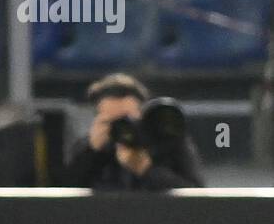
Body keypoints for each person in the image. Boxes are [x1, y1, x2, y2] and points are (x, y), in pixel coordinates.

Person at [63, 73, 205, 191]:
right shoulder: (90, 147)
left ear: (142, 115)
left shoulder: (169, 142)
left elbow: (194, 195)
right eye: (112, 121)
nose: (122, 127)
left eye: (128, 119)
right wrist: (91, 152)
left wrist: (147, 170)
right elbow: (64, 196)